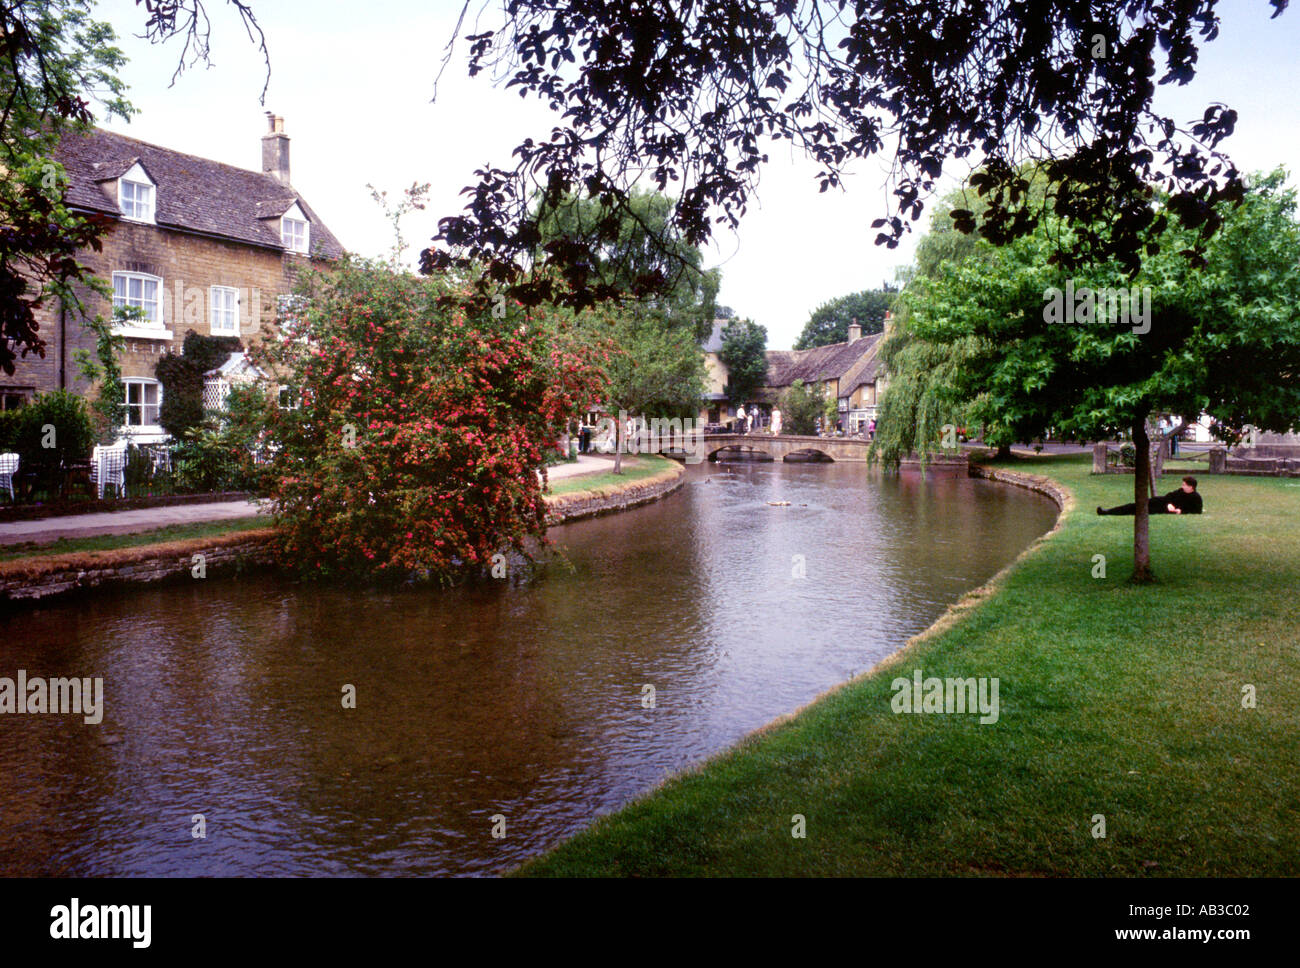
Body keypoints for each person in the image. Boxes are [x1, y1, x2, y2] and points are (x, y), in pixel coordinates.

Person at [1098, 476, 1203, 516]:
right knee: (1135, 505)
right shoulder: (1180, 491)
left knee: (1140, 510)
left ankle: (1108, 512)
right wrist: (1169, 503)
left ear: (1191, 487)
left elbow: (1197, 510)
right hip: (1161, 502)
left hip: (1162, 509)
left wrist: (1181, 511)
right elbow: (1169, 496)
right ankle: (1108, 511)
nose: (1182, 486)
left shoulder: (1196, 497)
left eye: (1184, 485)